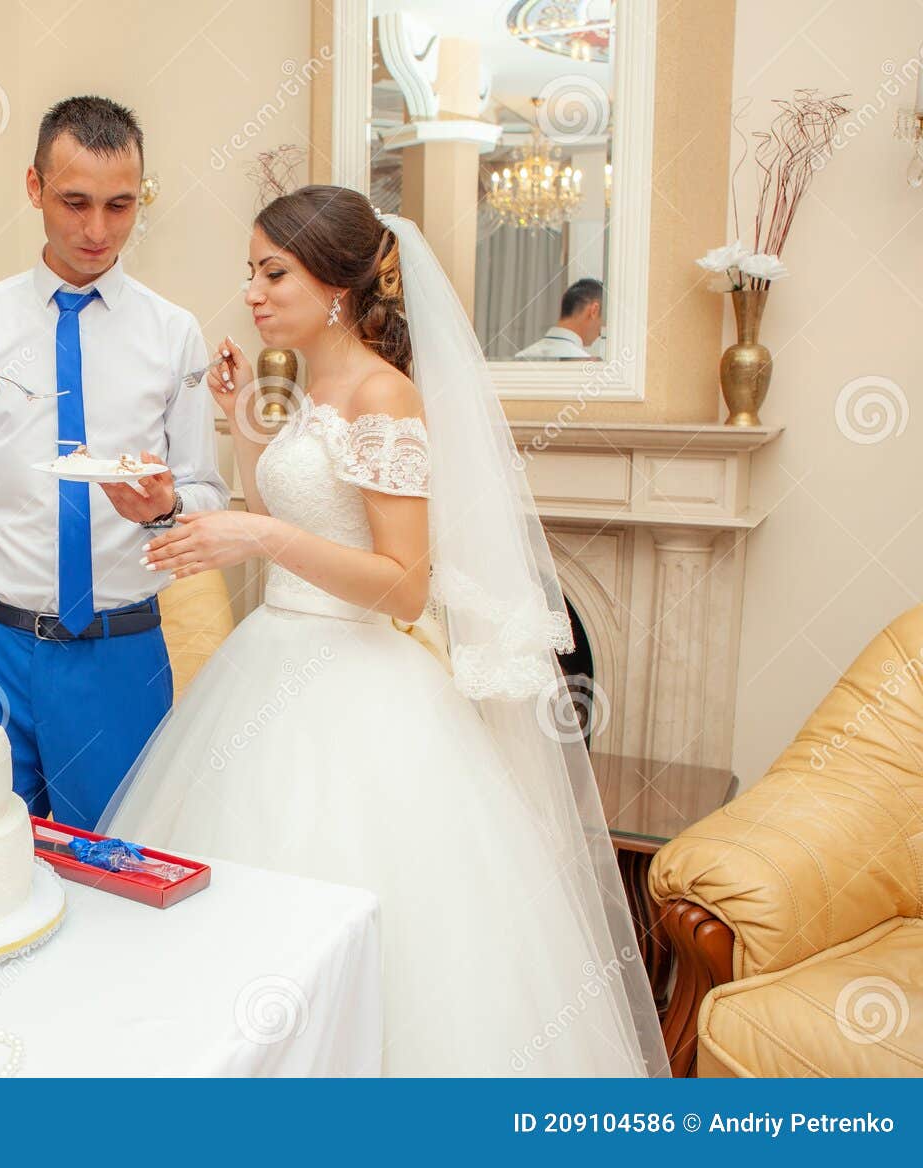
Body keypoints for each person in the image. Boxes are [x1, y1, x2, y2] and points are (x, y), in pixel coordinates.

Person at [99, 186, 664, 1076]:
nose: (252, 291)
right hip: (273, 660)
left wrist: (260, 536)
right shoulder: (318, 381)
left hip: (358, 680)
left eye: (272, 272)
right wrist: (244, 416)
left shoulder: (384, 393)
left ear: (336, 284)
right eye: (250, 271)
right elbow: (279, 509)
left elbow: (404, 586)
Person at [0, 96, 227, 830]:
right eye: (74, 201)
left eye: (120, 206)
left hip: (119, 654)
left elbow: (210, 495)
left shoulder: (174, 333)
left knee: (117, 868)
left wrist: (168, 509)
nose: (97, 231)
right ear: (32, 187)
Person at [515, 277, 603, 359]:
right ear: (594, 310)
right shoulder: (585, 367)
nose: (603, 330)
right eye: (604, 319)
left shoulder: (520, 358)